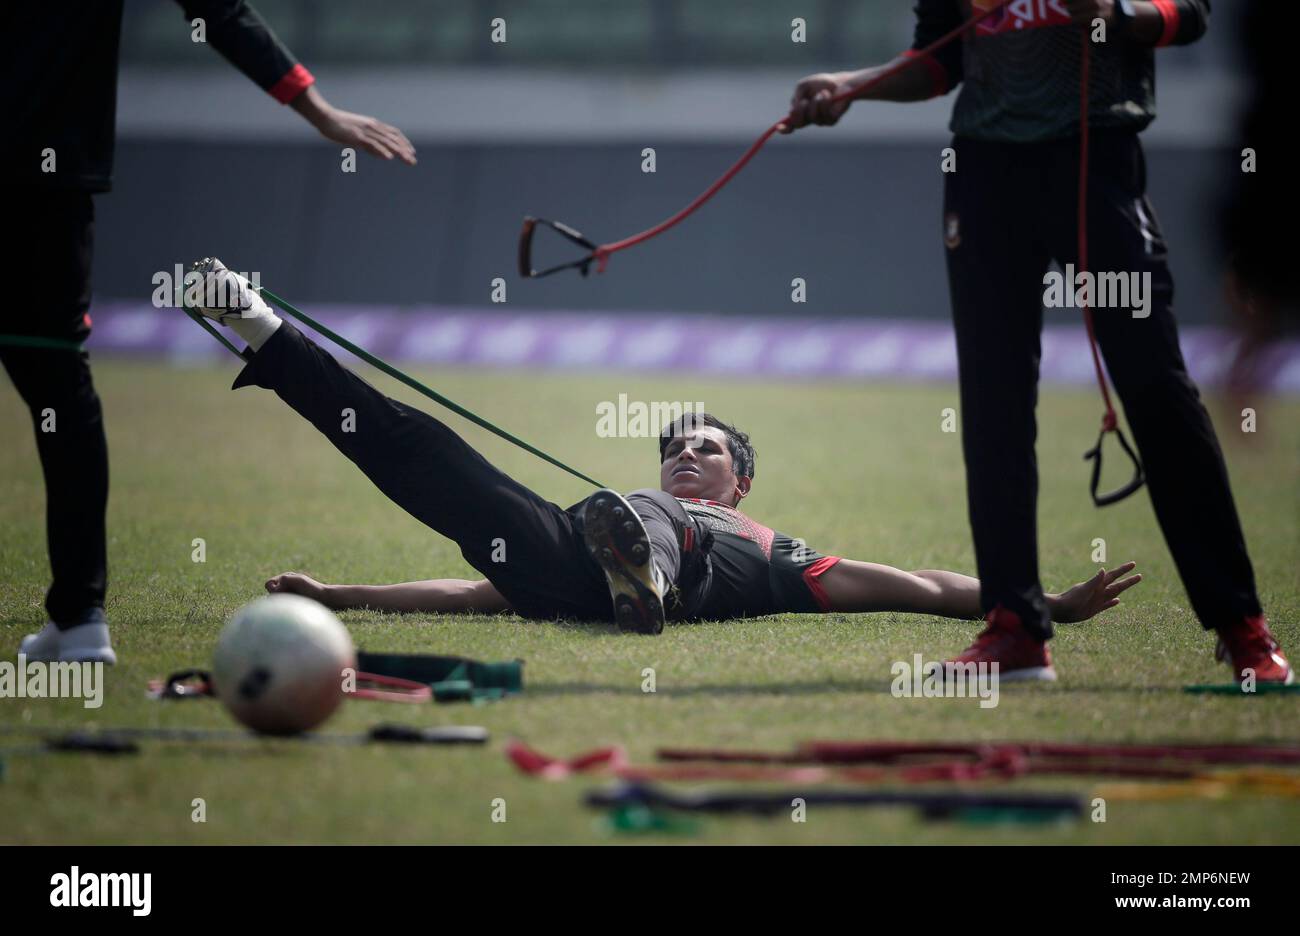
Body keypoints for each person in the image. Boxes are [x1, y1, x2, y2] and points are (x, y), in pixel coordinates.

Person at [189, 259, 1138, 653]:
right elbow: (474, 595)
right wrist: (335, 598)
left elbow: (918, 586)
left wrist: (1040, 604)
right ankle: (261, 333)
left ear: (744, 481)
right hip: (560, 565)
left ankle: (645, 566)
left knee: (586, 502)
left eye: (708, 448)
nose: (688, 453)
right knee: (414, 451)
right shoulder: (625, 512)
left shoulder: (775, 552)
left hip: (608, 571)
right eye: (677, 445)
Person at [781, 0, 1291, 684]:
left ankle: (1243, 630)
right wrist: (854, 84)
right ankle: (1015, 630)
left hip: (1095, 161)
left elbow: (1189, 16)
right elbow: (943, 58)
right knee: (994, 402)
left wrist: (1111, 11)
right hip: (984, 173)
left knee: (1155, 387)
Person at [5, 1, 415, 664]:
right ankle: (80, 618)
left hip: (44, 172)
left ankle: (79, 617)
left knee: (55, 384)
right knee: (57, 385)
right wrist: (317, 109)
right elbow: (215, 8)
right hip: (47, 175)